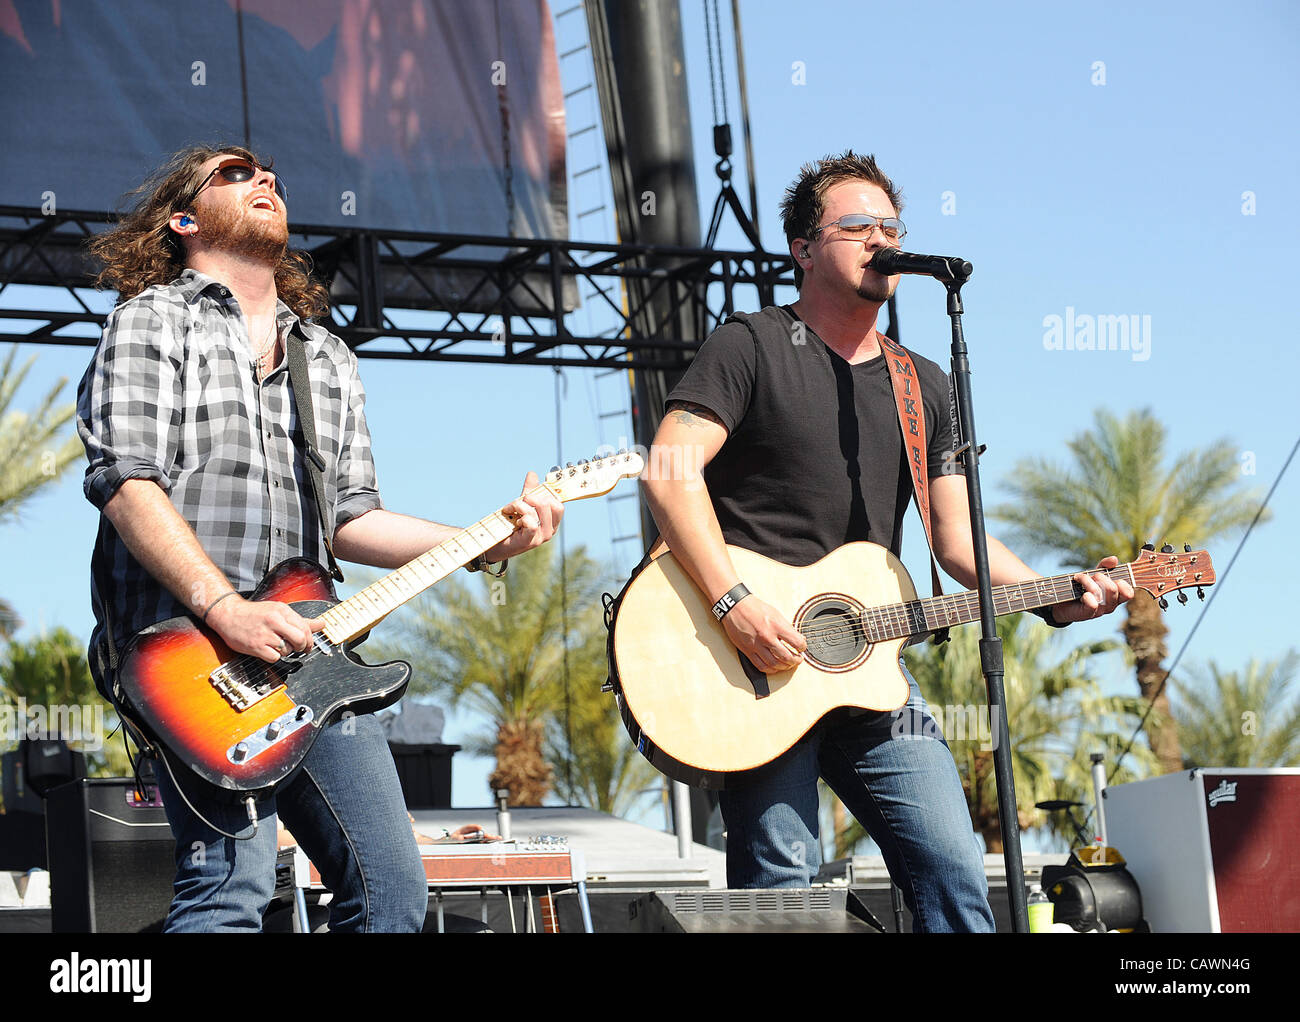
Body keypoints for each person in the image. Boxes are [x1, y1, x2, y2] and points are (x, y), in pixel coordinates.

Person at [640, 151, 1133, 932]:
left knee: (951, 864)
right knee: (785, 883)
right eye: (857, 226)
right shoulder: (751, 345)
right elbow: (667, 472)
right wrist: (733, 602)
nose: (881, 239)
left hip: (870, 675)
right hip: (747, 666)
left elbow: (955, 539)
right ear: (805, 249)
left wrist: (1058, 598)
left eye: (892, 227)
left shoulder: (923, 384)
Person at [76, 144, 563, 933]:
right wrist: (226, 609)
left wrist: (489, 540)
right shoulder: (151, 321)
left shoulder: (326, 356)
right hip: (186, 656)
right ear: (184, 217)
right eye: (233, 175)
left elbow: (352, 519)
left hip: (313, 657)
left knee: (392, 891)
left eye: (267, 172)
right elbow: (127, 484)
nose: (263, 179)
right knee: (229, 889)